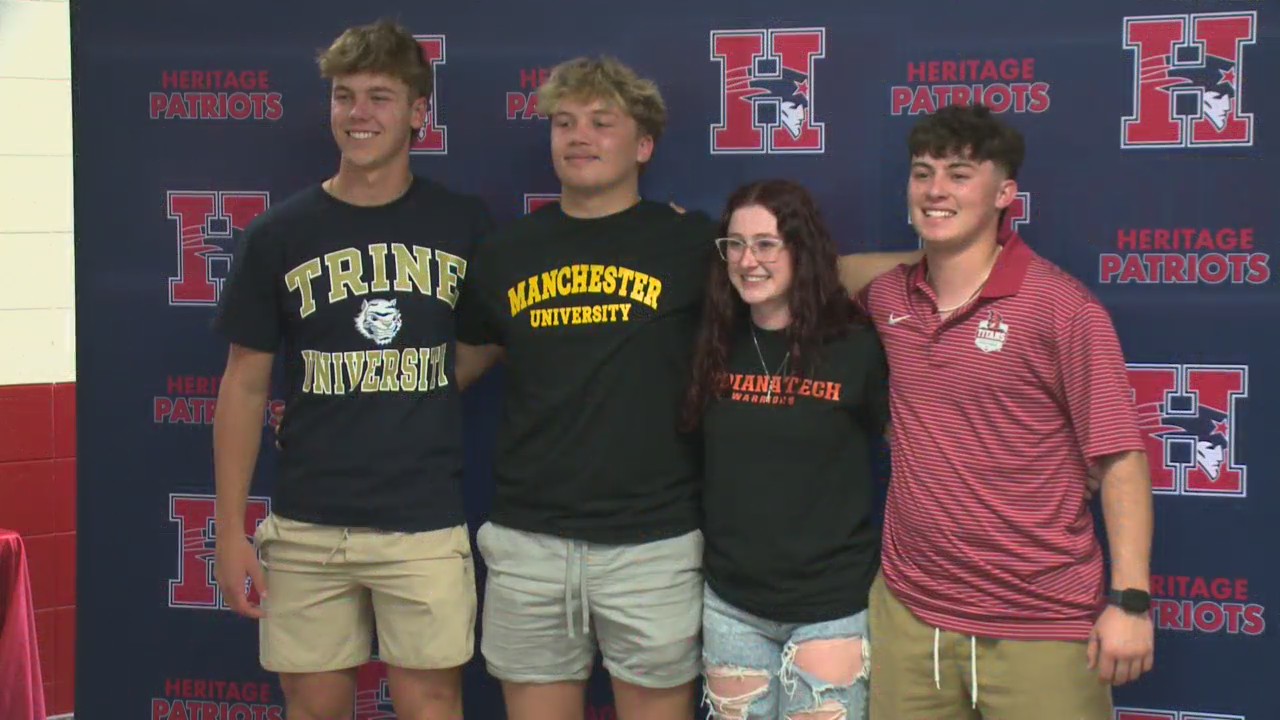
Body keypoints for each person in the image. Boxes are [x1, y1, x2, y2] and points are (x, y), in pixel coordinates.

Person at [454, 56, 913, 720]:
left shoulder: (692, 243)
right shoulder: (505, 253)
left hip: (653, 544)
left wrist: (957, 260)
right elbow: (457, 364)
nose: (579, 136)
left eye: (601, 122)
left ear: (643, 145)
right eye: (564, 122)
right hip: (530, 542)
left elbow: (812, 270)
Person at [211, 19, 492, 720]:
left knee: (431, 702)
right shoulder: (279, 233)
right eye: (344, 96)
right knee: (313, 704)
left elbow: (494, 338)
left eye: (379, 97)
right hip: (308, 522)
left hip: (422, 520)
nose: (358, 114)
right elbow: (244, 384)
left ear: (419, 111)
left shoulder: (462, 224)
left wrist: (418, 381)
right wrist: (229, 529)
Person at [860, 103, 1155, 719]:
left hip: (1039, 622)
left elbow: (1120, 458)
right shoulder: (888, 296)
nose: (936, 190)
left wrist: (1130, 601)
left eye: (960, 174)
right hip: (911, 618)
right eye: (922, 173)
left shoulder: (1062, 309)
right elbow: (818, 271)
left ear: (1004, 194)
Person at [681, 179, 888, 720]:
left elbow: (908, 449)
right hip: (732, 603)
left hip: (831, 605)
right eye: (735, 244)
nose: (748, 260)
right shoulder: (712, 341)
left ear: (802, 249)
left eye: (766, 244)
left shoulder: (855, 345)